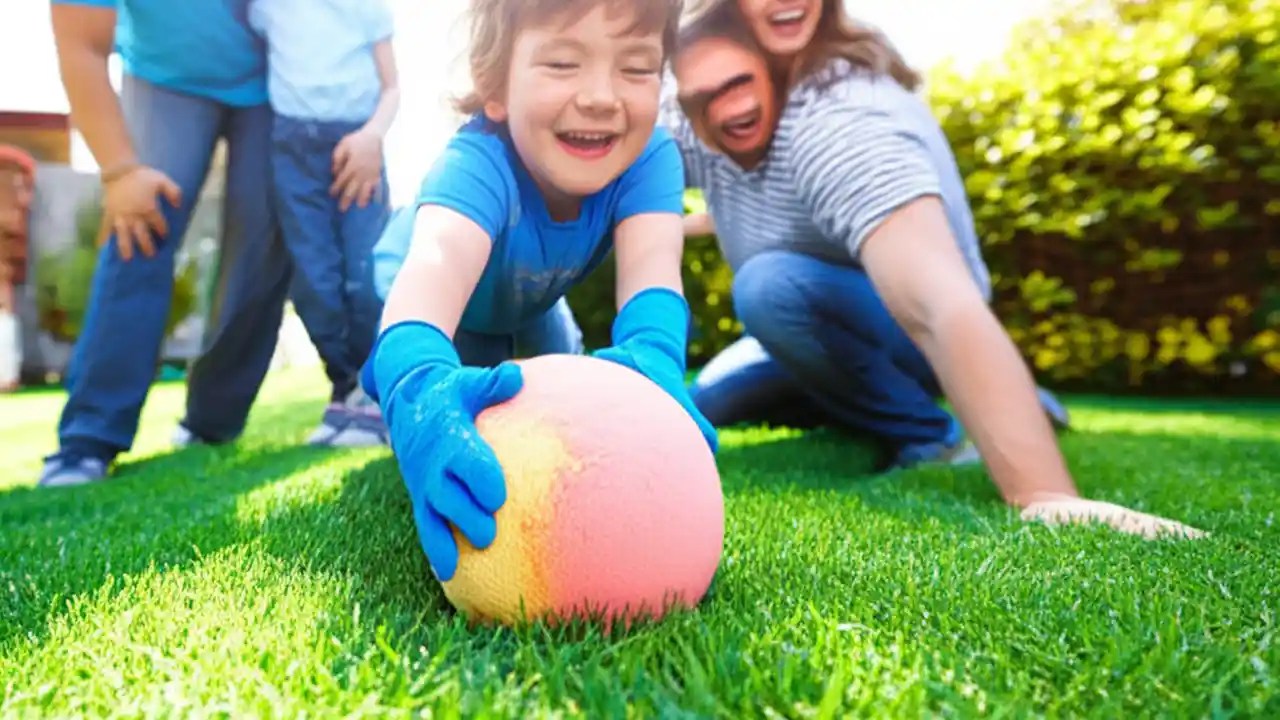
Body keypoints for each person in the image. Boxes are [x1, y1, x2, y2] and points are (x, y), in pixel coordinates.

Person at [664, 0, 1203, 539]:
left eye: (737, 85)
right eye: (702, 99)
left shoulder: (840, 122)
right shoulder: (706, 88)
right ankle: (1008, 401)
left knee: (767, 288)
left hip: (892, 325)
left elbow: (937, 303)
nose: (725, 106)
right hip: (818, 321)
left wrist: (1043, 493)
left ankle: (934, 434)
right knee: (709, 399)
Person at [362, 0, 717, 581]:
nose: (602, 96)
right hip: (432, 292)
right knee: (445, 397)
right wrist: (415, 384)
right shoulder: (476, 163)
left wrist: (653, 364)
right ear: (494, 84)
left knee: (562, 398)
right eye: (561, 63)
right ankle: (374, 386)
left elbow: (654, 271)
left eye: (635, 68)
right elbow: (436, 266)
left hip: (532, 301)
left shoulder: (650, 160)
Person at [40, 0, 294, 487]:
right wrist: (120, 172)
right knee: (138, 230)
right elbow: (81, 47)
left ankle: (212, 423)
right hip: (164, 78)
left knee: (260, 255)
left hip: (275, 81)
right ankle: (88, 439)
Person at [248, 0, 400, 446]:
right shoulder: (265, 8)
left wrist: (371, 136)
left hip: (356, 144)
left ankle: (377, 396)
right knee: (313, 280)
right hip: (293, 146)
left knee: (366, 274)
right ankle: (345, 389)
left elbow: (392, 87)